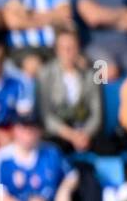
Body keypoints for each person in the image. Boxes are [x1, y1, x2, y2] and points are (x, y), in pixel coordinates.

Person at [36, 26, 109, 155]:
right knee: (52, 148)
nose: (68, 52)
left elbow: (97, 114)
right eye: (64, 48)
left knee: (107, 148)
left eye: (72, 47)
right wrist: (70, 135)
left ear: (78, 48)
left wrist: (84, 134)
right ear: (57, 50)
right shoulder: (45, 74)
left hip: (85, 132)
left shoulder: (91, 73)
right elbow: (46, 116)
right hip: (59, 133)